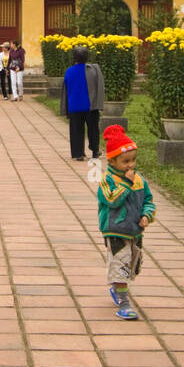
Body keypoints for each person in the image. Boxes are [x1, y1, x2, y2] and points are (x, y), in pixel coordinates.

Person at [97, 125, 155, 321]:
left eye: (133, 160)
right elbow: (112, 200)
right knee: (120, 266)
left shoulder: (139, 180)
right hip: (115, 231)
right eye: (125, 161)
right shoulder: (107, 181)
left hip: (135, 231)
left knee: (133, 267)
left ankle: (116, 289)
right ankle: (124, 304)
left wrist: (147, 215)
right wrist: (126, 183)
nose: (131, 165)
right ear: (112, 161)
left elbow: (148, 200)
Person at [60, 45, 104, 160]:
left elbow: (66, 90)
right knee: (93, 129)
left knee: (76, 130)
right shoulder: (93, 69)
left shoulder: (69, 71)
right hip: (91, 106)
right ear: (87, 57)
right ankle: (95, 151)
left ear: (74, 57)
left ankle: (78, 153)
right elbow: (99, 87)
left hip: (74, 106)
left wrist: (66, 108)